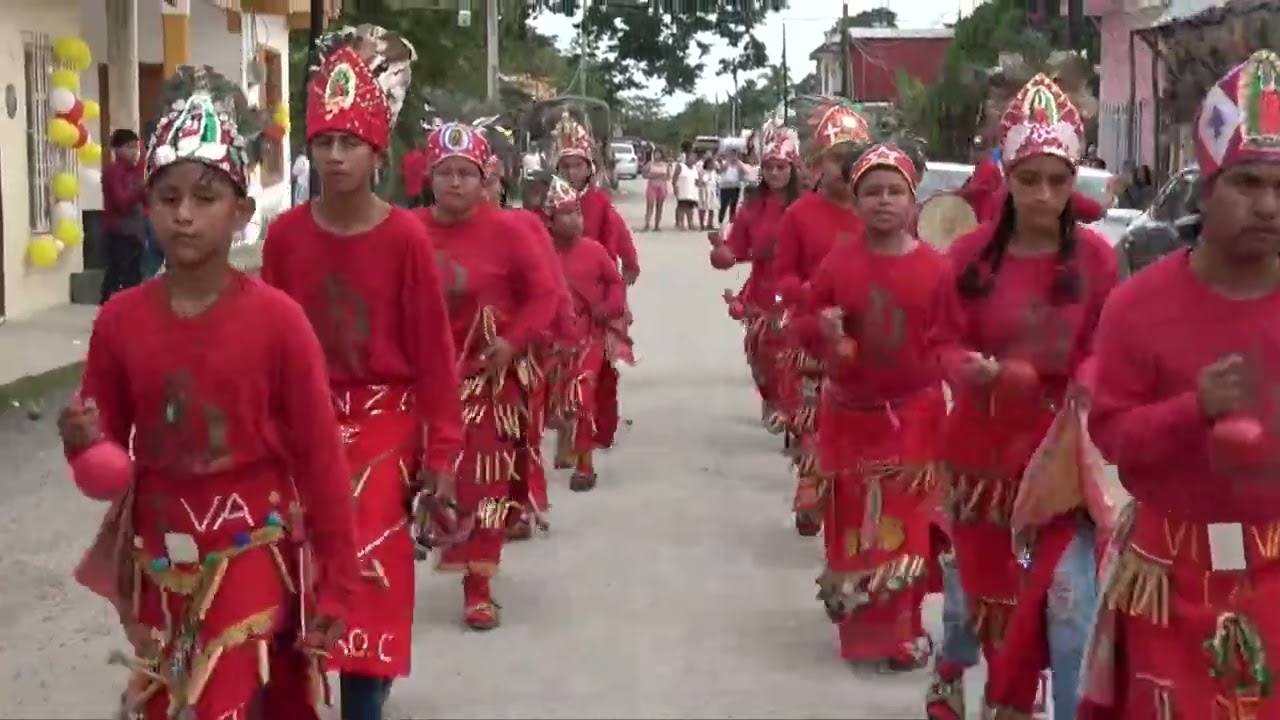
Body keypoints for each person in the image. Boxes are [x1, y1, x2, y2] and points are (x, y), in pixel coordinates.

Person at [64, 66, 359, 720]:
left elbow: (319, 459)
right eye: (167, 198)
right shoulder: (119, 320)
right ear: (146, 212)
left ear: (243, 211)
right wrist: (82, 445)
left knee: (219, 700)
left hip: (251, 541)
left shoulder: (280, 321)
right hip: (157, 548)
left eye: (206, 197)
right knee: (168, 702)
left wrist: (338, 585)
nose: (186, 215)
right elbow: (102, 459)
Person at [259, 25, 464, 720]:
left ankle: (363, 707)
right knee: (286, 561)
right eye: (324, 142)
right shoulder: (286, 236)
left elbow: (435, 352)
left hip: (384, 420)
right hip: (301, 416)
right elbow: (270, 345)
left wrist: (442, 452)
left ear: (378, 153)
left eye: (350, 143)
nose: (336, 156)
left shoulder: (405, 235)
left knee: (366, 557)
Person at [1080, 48, 1280, 720]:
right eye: (1248, 183)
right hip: (1170, 575)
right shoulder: (1138, 307)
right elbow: (1110, 435)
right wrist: (1192, 410)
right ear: (1205, 188)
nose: (1268, 205)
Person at [927, 73, 1118, 720]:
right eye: (1029, 178)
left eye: (1058, 180)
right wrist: (969, 371)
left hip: (1063, 460)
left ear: (1074, 181)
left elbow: (1104, 347)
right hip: (981, 461)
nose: (1043, 194)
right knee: (972, 600)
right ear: (1006, 176)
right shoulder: (968, 256)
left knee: (1068, 601)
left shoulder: (1097, 260)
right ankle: (951, 666)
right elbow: (942, 343)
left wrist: (1083, 391)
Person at [802, 140, 947, 670]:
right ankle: (860, 629)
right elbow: (805, 319)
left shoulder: (937, 269)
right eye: (871, 192)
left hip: (914, 417)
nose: (883, 201)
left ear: (913, 202)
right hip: (850, 416)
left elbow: (954, 340)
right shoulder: (838, 262)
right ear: (856, 200)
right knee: (855, 526)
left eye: (894, 191)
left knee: (905, 527)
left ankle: (904, 632)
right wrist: (826, 336)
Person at [414, 121, 561, 630]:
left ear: (485, 179)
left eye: (466, 173)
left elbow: (546, 296)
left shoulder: (510, 231)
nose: (455, 183)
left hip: (486, 378)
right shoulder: (405, 231)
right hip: (417, 379)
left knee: (485, 485)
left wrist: (513, 341)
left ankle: (478, 585)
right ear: (429, 177)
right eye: (445, 173)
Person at [775, 96, 871, 538]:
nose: (844, 170)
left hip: (869, 344)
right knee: (815, 425)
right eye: (836, 160)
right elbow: (785, 278)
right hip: (813, 341)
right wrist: (818, 297)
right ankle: (812, 490)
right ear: (817, 164)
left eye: (852, 161)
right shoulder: (799, 214)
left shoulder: (881, 212)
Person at [550, 113, 639, 453]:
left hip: (599, 296)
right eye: (567, 166)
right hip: (561, 299)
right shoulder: (550, 203)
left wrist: (628, 264)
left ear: (590, 168)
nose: (572, 172)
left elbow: (618, 235)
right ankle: (568, 427)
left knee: (601, 367)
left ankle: (602, 427)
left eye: (577, 165)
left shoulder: (600, 202)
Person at [709, 121, 802, 425]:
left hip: (799, 295)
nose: (775, 173)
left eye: (781, 167)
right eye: (770, 167)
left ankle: (794, 414)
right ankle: (773, 400)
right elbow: (733, 251)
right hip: (762, 294)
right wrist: (721, 252)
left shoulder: (807, 206)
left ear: (793, 169)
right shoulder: (752, 207)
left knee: (795, 359)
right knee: (761, 358)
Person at [544, 175, 628, 491]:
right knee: (553, 402)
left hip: (589, 337)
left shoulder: (594, 251)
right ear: (550, 221)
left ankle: (584, 466)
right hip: (551, 343)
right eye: (565, 214)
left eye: (577, 212)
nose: (575, 219)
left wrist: (608, 307)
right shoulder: (540, 253)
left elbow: (615, 283)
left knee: (582, 396)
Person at [101, 128, 147, 303]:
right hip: (119, 233)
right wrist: (140, 190)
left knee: (134, 280)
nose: (134, 152)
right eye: (129, 147)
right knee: (116, 278)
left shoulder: (134, 173)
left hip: (135, 233)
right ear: (117, 150)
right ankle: (106, 313)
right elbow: (121, 202)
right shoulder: (113, 172)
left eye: (136, 147)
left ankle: (128, 316)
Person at [642, 149, 671, 231]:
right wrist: (652, 176)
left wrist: (661, 177)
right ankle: (647, 224)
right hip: (652, 186)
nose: (657, 156)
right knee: (650, 205)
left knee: (659, 206)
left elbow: (668, 176)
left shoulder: (666, 165)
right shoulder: (650, 164)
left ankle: (657, 225)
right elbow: (644, 174)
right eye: (655, 154)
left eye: (658, 154)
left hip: (662, 186)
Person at [673, 147, 700, 231]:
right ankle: (681, 223)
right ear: (687, 158)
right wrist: (675, 188)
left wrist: (699, 184)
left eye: (695, 158)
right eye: (692, 157)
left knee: (690, 208)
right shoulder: (680, 166)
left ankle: (690, 223)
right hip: (682, 190)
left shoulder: (695, 168)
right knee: (682, 207)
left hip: (692, 191)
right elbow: (674, 179)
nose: (694, 159)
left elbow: (696, 180)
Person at [400, 137, 429, 208]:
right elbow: (426, 174)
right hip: (418, 190)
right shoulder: (422, 158)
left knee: (410, 209)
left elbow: (402, 173)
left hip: (409, 190)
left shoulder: (406, 157)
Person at [718, 150, 744, 225]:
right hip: (725, 187)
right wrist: (727, 163)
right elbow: (720, 171)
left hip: (735, 186)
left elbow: (742, 172)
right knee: (724, 205)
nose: (733, 157)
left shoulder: (739, 164)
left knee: (733, 205)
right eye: (732, 155)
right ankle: (720, 221)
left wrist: (739, 163)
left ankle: (732, 222)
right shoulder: (726, 163)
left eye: (735, 155)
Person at [696, 157, 721, 231]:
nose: (713, 165)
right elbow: (699, 181)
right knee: (702, 208)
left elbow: (717, 181)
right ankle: (702, 224)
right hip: (704, 191)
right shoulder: (702, 171)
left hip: (712, 191)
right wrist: (701, 183)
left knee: (712, 208)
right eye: (712, 164)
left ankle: (710, 224)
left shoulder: (714, 172)